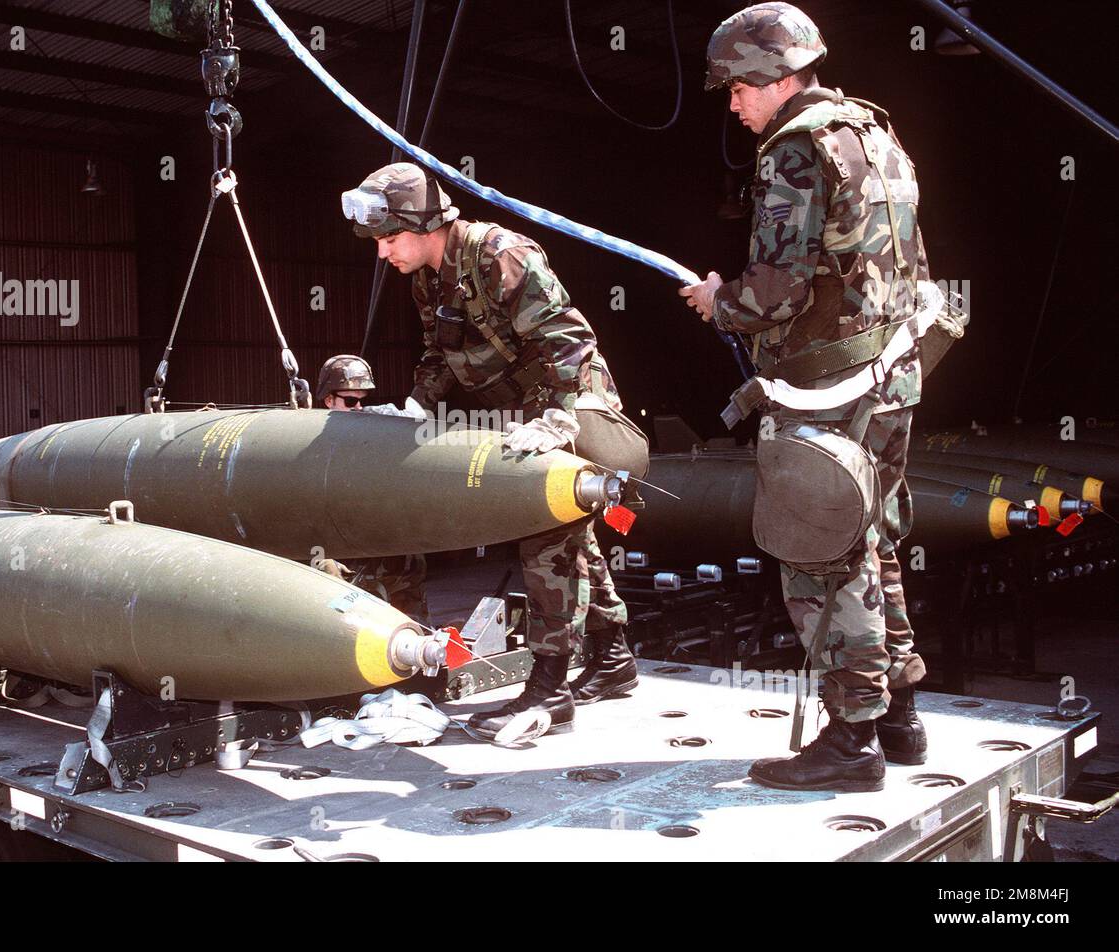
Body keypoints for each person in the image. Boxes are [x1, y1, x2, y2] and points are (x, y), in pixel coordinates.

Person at [682, 2, 928, 790]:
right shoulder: (876, 134)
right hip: (892, 376)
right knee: (875, 537)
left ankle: (852, 742)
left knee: (821, 553)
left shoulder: (793, 152)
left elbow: (777, 293)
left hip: (827, 387)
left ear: (773, 75)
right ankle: (898, 714)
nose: (732, 103)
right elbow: (912, 264)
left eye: (736, 88)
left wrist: (720, 301)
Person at [342, 163, 634, 738]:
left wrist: (555, 420)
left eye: (389, 238)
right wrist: (416, 410)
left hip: (571, 401)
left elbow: (570, 342)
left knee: (546, 534)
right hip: (522, 410)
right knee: (576, 536)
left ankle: (550, 691)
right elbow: (439, 354)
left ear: (425, 226)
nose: (383, 254)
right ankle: (614, 657)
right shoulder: (428, 278)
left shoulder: (503, 256)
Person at [312, 354, 430, 623]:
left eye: (361, 400)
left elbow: (401, 418)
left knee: (412, 630)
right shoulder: (313, 443)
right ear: (329, 399)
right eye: (350, 401)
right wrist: (321, 560)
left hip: (391, 561)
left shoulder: (370, 422)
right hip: (349, 564)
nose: (358, 407)